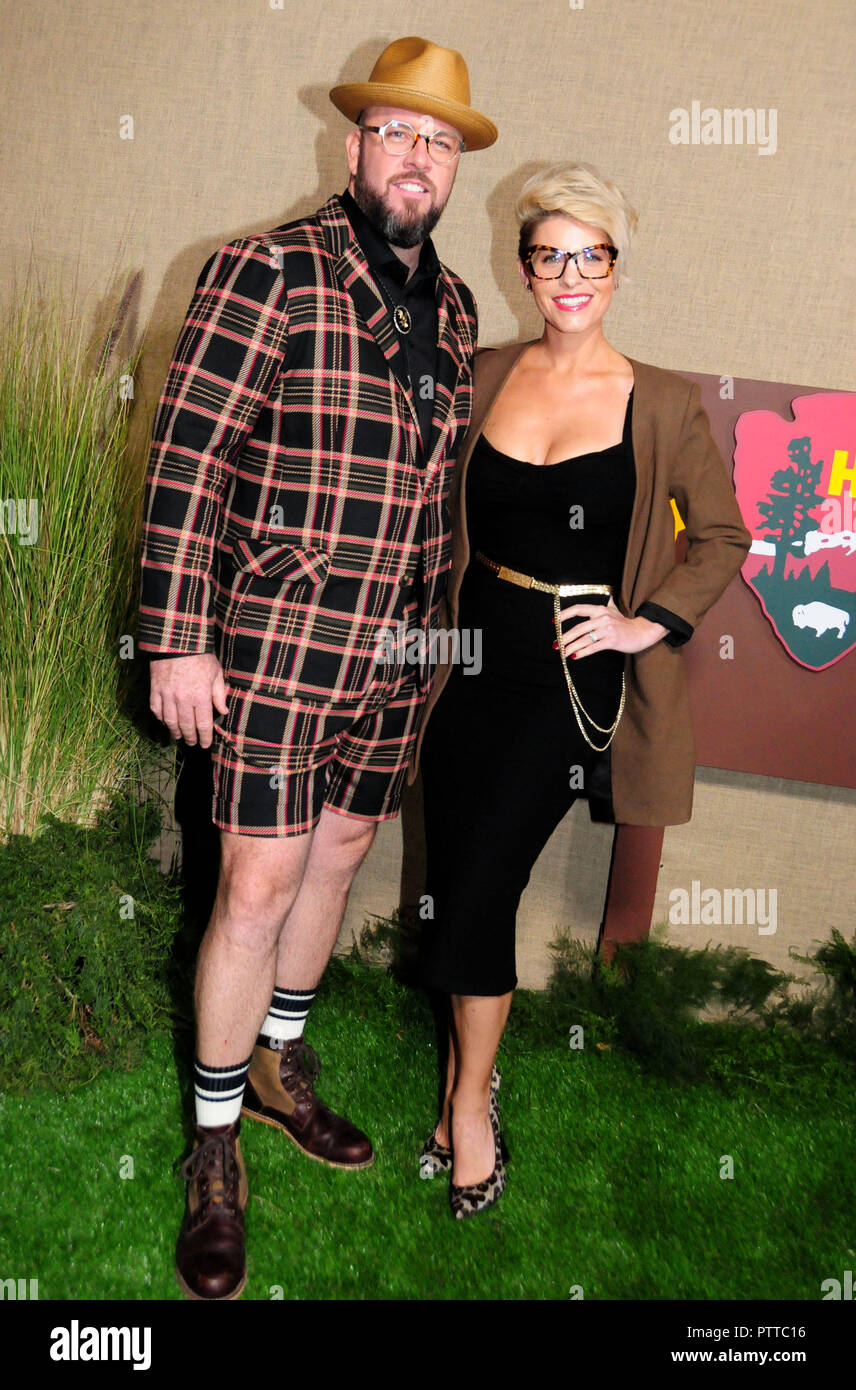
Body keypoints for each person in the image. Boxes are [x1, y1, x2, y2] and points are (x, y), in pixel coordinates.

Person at [138, 36, 497, 1298]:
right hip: (274, 641)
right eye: (398, 133)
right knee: (253, 885)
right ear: (353, 147)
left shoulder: (455, 311)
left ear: (454, 170)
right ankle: (217, 1143)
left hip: (397, 651)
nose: (418, 158)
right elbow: (186, 461)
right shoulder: (267, 268)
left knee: (338, 859)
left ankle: (283, 1069)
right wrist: (177, 632)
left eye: (440, 141)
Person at [409, 161, 752, 1219]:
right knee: (457, 868)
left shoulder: (660, 404)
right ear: (523, 268)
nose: (569, 274)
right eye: (550, 254)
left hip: (568, 681)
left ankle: (469, 1103)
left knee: (479, 887)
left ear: (614, 267)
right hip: (463, 662)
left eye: (589, 255)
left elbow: (726, 532)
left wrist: (643, 623)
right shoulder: (483, 372)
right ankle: (470, 1079)